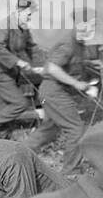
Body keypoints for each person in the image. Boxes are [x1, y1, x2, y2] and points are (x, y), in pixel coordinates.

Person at [25, 14, 98, 174]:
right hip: (54, 92)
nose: (90, 29)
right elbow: (52, 68)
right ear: (78, 23)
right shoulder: (68, 43)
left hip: (54, 92)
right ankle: (71, 172)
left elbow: (70, 63)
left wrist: (90, 64)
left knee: (49, 130)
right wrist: (77, 84)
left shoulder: (79, 43)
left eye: (93, 26)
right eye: (87, 25)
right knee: (76, 130)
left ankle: (20, 154)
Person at [0, 0, 45, 134]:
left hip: (9, 72)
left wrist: (45, 64)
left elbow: (31, 47)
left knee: (4, 111)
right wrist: (17, 62)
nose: (30, 18)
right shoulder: (4, 25)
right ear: (18, 12)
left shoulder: (23, 28)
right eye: (28, 14)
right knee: (20, 103)